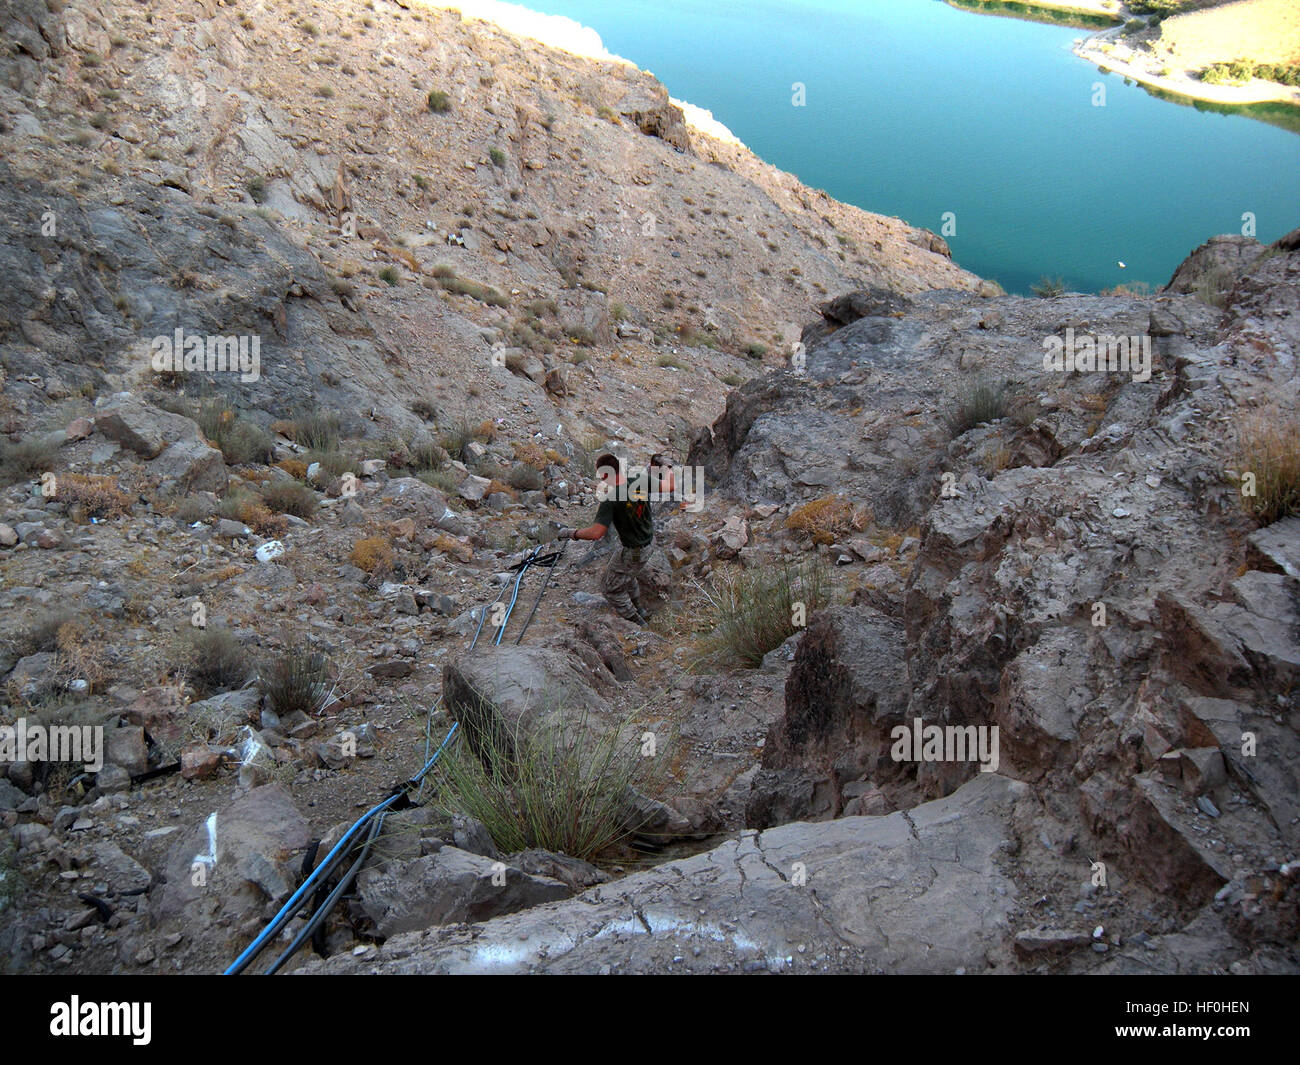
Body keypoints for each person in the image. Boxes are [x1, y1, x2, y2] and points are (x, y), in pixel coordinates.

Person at [556, 453, 658, 625]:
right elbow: (668, 486)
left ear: (604, 474)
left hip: (634, 550)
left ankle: (639, 623)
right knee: (627, 574)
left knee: (609, 588)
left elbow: (596, 533)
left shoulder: (611, 499)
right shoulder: (639, 479)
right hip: (648, 543)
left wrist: (572, 533)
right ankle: (640, 609)